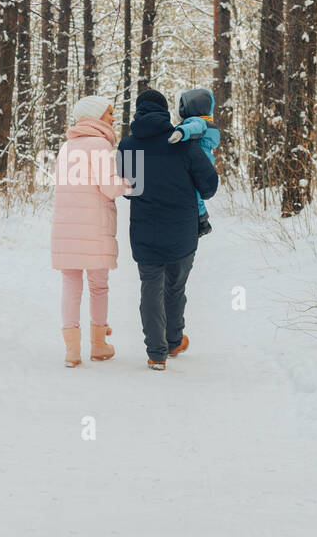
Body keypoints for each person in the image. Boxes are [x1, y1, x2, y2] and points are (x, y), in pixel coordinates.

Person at [117, 89, 219, 371]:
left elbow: (128, 190)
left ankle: (156, 354)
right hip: (182, 231)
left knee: (150, 287)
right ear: (165, 111)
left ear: (139, 112)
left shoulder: (128, 145)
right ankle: (174, 340)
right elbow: (208, 188)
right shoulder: (183, 142)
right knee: (175, 286)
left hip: (144, 231)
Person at [50, 95, 132, 367]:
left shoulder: (67, 146)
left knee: (70, 285)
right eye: (109, 113)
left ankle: (71, 351)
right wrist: (130, 183)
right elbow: (109, 187)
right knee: (98, 286)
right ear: (95, 116)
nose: (112, 118)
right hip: (94, 227)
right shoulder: (99, 145)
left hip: (67, 227)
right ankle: (98, 345)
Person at [167, 87, 221, 238]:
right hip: (204, 160)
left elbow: (194, 128)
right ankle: (202, 221)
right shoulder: (207, 122)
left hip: (198, 161)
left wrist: (181, 132)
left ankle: (202, 221)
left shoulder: (197, 121)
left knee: (194, 192)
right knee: (195, 192)